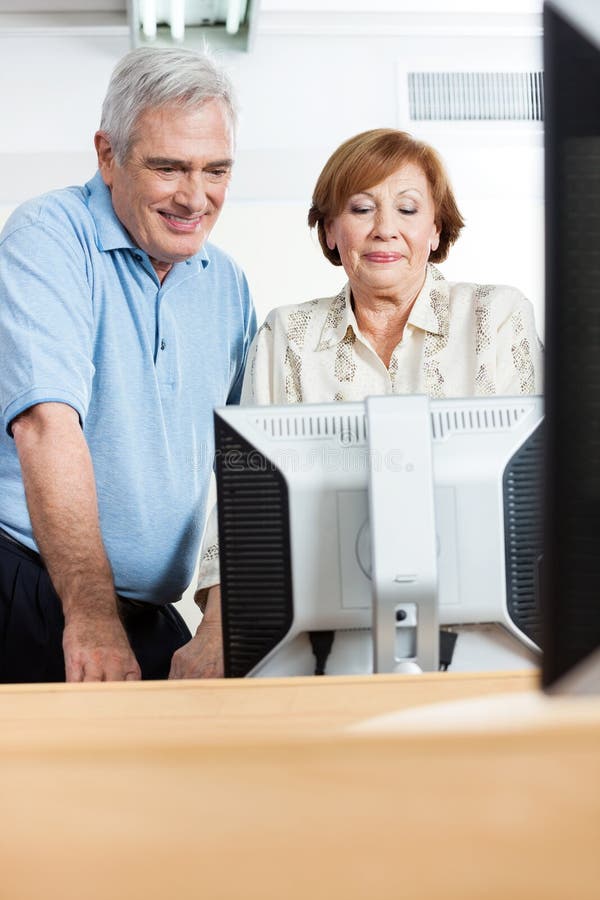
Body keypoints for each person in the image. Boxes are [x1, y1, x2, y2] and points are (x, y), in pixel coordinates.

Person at [195, 128, 543, 673]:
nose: (385, 229)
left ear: (435, 229)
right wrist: (214, 632)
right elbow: (240, 495)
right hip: (324, 650)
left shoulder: (495, 318)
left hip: (490, 642)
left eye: (407, 209)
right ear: (332, 232)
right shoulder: (288, 334)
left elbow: (544, 490)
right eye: (361, 209)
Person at [0, 46, 256, 683]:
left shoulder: (227, 283)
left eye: (215, 170)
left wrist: (221, 624)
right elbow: (45, 425)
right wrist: (88, 618)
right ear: (108, 155)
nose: (195, 197)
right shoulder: (50, 235)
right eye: (169, 168)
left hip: (147, 611)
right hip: (33, 587)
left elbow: (250, 463)